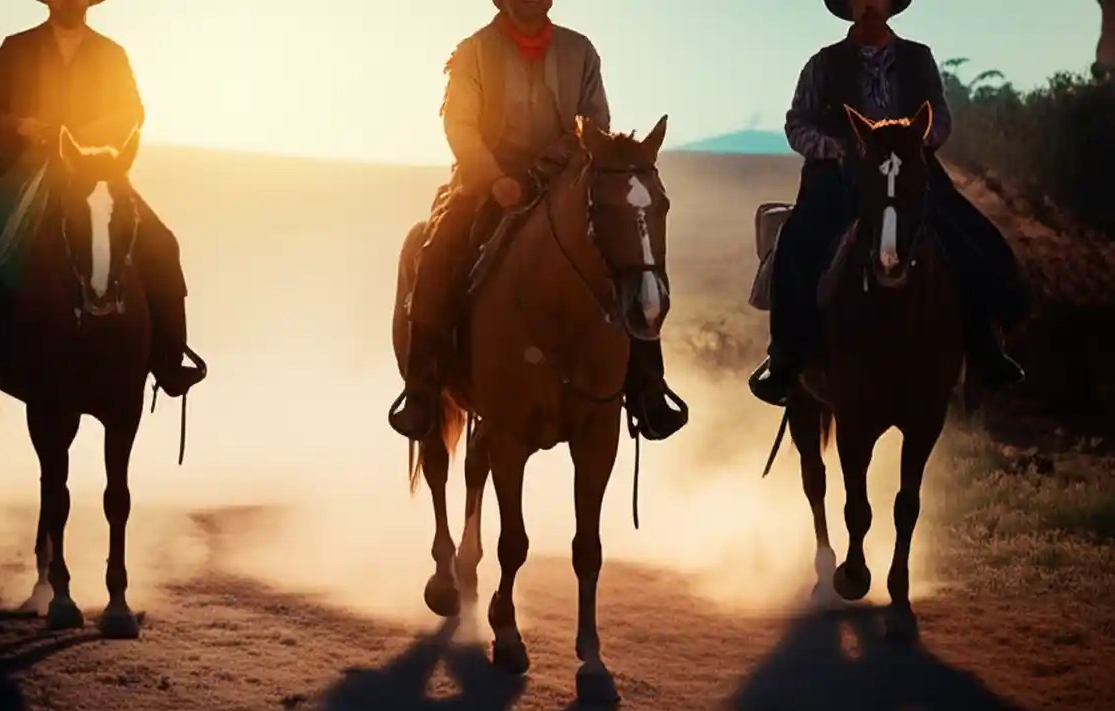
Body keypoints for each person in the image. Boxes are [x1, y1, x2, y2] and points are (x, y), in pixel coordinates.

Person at [388, 0, 688, 442]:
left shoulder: (579, 51)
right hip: (486, 182)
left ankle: (647, 385)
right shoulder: (473, 52)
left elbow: (595, 122)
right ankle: (424, 389)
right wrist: (493, 178)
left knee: (626, 249)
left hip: (563, 178)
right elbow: (460, 126)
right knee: (437, 254)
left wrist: (553, 167)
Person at [749, 0, 1027, 407]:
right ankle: (787, 358)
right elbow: (796, 124)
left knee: (974, 237)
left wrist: (910, 145)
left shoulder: (919, 58)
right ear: (849, 7)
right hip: (839, 177)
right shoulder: (822, 64)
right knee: (795, 244)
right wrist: (836, 149)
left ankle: (986, 349)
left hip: (910, 173)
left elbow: (941, 119)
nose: (869, 6)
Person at [0, 0, 206, 397]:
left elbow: (133, 111)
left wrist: (95, 131)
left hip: (94, 171)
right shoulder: (17, 47)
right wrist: (22, 125)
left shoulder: (111, 54)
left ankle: (169, 359)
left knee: (162, 244)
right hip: (25, 170)